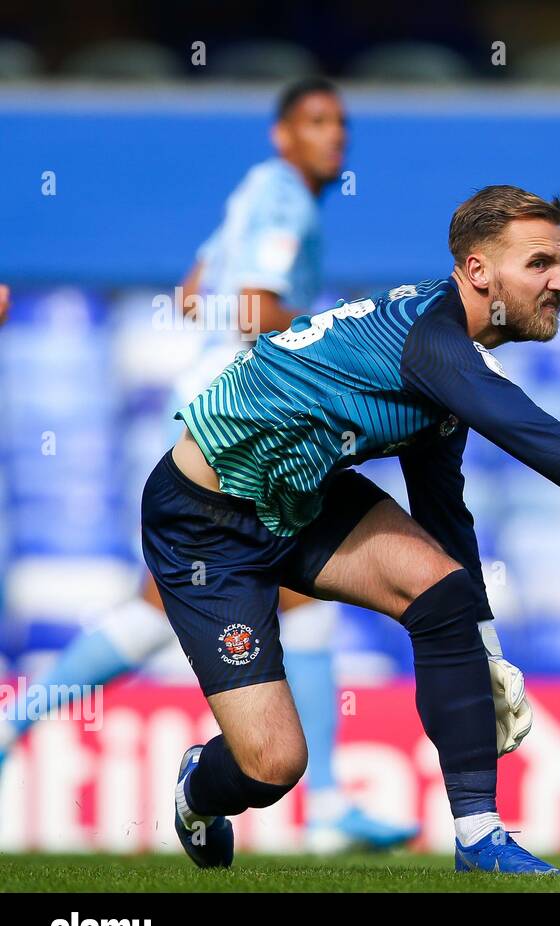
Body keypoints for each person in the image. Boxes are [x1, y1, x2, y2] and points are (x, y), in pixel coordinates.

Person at [147, 185, 560, 873]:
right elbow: (549, 443)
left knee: (440, 590)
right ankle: (198, 791)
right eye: (539, 264)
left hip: (304, 501)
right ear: (478, 273)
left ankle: (479, 837)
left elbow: (443, 510)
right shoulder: (434, 344)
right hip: (207, 521)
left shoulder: (446, 359)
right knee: (273, 765)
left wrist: (485, 646)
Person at [0, 79, 416, 853]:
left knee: (161, 603)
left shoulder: (253, 193)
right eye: (317, 123)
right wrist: (341, 340)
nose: (337, 139)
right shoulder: (286, 200)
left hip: (196, 414)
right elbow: (253, 309)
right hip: (240, 423)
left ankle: (10, 725)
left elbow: (195, 294)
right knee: (302, 595)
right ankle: (323, 802)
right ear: (282, 135)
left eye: (341, 125)